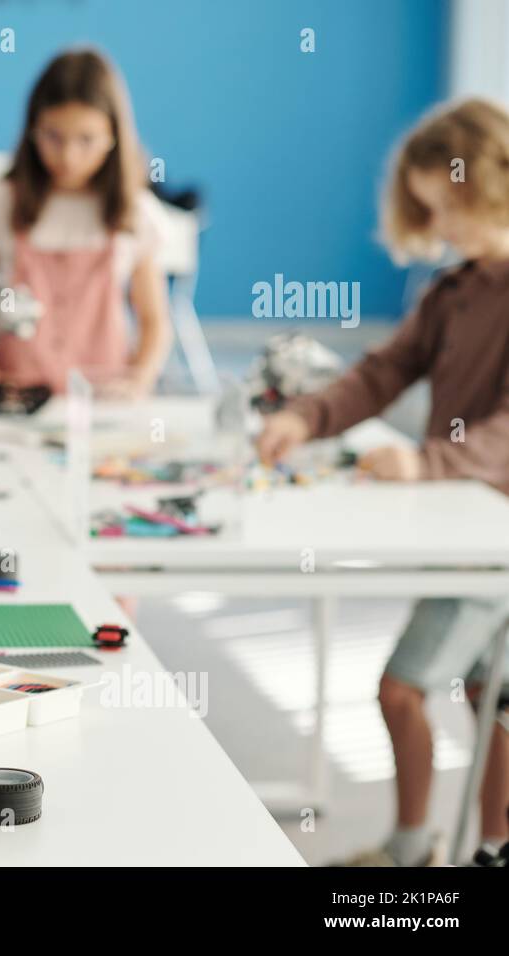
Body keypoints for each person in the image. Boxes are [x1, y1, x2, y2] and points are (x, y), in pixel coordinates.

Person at [258, 98, 509, 867]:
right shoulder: (452, 289)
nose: (442, 227)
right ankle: (477, 848)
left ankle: (417, 855)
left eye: (452, 207)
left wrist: (426, 462)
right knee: (486, 695)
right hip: (460, 526)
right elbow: (386, 370)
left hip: (492, 535)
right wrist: (306, 416)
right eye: (431, 210)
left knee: (407, 689)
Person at [0, 48, 172, 397]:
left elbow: (154, 321)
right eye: (53, 137)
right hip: (20, 407)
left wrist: (138, 382)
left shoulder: (134, 213)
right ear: (32, 130)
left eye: (86, 140)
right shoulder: (1, 204)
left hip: (103, 408)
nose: (69, 156)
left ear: (113, 138)